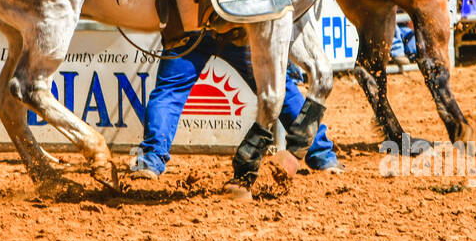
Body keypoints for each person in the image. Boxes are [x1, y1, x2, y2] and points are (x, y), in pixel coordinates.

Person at [129, 33, 341, 179]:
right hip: (239, 29)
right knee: (278, 87)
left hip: (190, 27)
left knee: (170, 91)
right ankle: (322, 156)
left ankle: (151, 160)